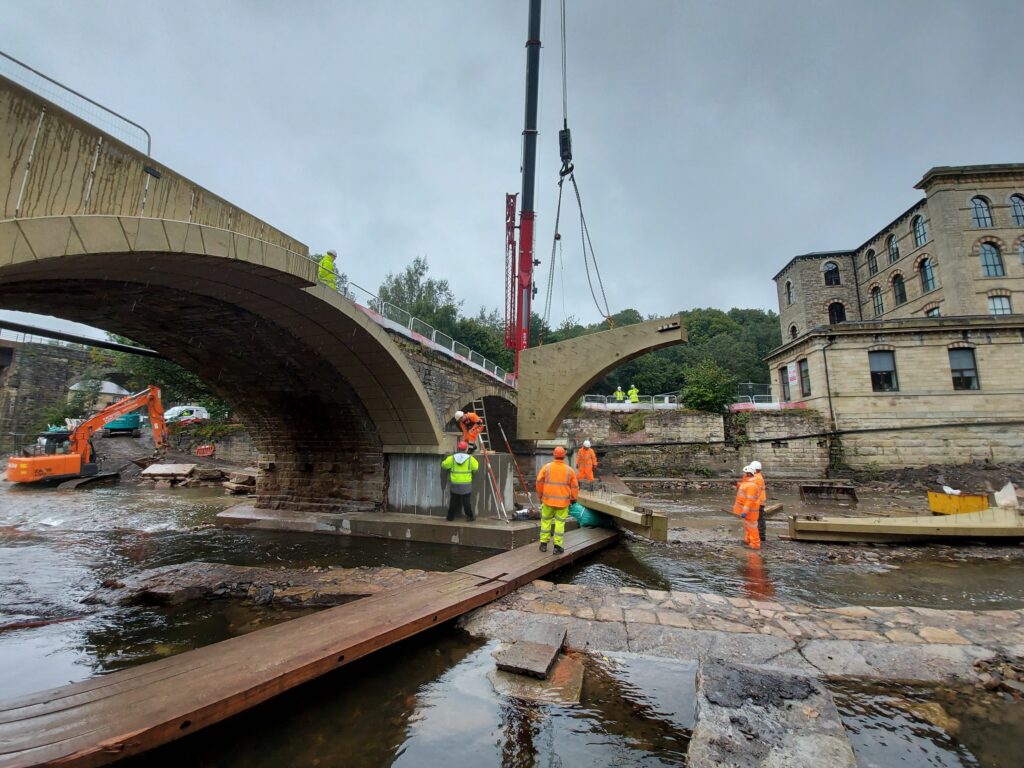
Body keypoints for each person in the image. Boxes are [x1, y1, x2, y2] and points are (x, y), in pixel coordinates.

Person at [536, 446, 579, 555]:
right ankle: (557, 547)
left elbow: (539, 481)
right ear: (564, 456)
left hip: (548, 501)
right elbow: (574, 486)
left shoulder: (547, 467)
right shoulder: (570, 470)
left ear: (554, 455)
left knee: (546, 521)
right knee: (560, 523)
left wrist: (540, 495)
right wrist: (574, 498)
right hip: (562, 503)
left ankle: (543, 545)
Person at [441, 441, 478, 522]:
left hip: (455, 483)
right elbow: (475, 468)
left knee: (453, 501)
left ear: (458, 448)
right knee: (466, 501)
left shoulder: (452, 458)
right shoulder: (470, 458)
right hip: (466, 483)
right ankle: (470, 517)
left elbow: (444, 465)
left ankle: (450, 517)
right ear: (466, 449)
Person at [732, 465, 761, 550]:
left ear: (748, 474)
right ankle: (748, 540)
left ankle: (755, 544)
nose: (743, 475)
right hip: (748, 511)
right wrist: (737, 484)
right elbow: (744, 490)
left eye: (744, 473)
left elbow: (749, 501)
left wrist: (745, 512)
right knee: (748, 526)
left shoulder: (751, 485)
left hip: (750, 511)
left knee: (752, 528)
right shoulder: (748, 483)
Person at [750, 460, 767, 544]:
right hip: (760, 502)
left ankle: (760, 536)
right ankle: (761, 536)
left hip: (757, 503)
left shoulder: (756, 478)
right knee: (761, 519)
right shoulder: (759, 477)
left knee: (758, 520)